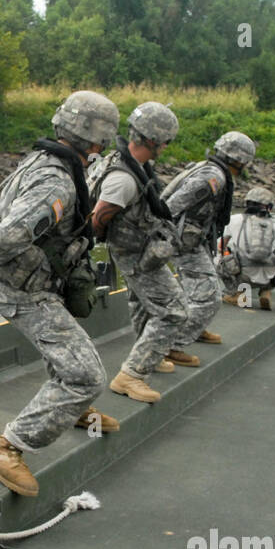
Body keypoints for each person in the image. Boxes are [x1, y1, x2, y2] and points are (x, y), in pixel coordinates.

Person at [0, 90, 121, 497]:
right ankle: (7, 447)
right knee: (85, 375)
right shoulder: (57, 180)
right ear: (95, 140)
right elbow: (6, 240)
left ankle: (71, 411)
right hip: (23, 289)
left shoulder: (46, 160)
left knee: (69, 355)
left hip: (37, 282)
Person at [88, 101, 186, 403]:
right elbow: (97, 220)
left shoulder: (134, 165)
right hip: (134, 252)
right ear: (154, 140)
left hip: (140, 248)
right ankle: (132, 375)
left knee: (146, 305)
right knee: (173, 311)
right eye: (167, 141)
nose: (168, 147)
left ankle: (149, 357)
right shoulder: (124, 179)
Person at [158, 131, 256, 366]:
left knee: (195, 291)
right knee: (210, 297)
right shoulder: (212, 178)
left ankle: (196, 328)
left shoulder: (209, 169)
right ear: (240, 160)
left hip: (193, 240)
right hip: (184, 242)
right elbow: (171, 206)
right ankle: (173, 345)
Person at [220, 186, 275, 311]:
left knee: (218, 256)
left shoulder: (234, 220)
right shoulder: (274, 225)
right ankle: (266, 292)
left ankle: (239, 295)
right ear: (269, 207)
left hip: (243, 276)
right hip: (270, 277)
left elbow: (220, 246)